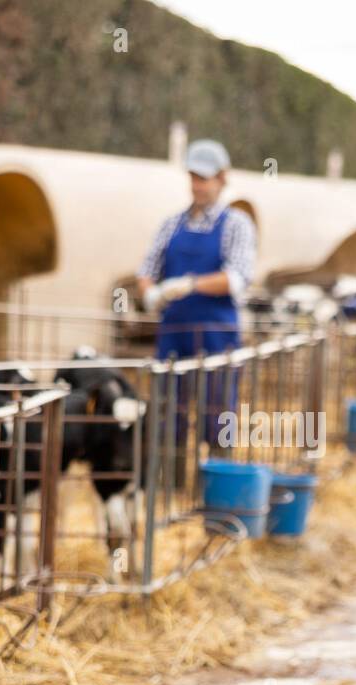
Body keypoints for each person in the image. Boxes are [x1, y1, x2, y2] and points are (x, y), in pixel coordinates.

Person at [137, 139, 256, 473]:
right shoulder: (171, 224)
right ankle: (170, 488)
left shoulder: (236, 225)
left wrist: (190, 284)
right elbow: (146, 270)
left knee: (217, 412)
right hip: (174, 333)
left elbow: (238, 277)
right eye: (193, 177)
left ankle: (216, 485)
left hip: (217, 334)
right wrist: (150, 293)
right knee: (169, 410)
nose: (197, 185)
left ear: (222, 179)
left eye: (204, 179)